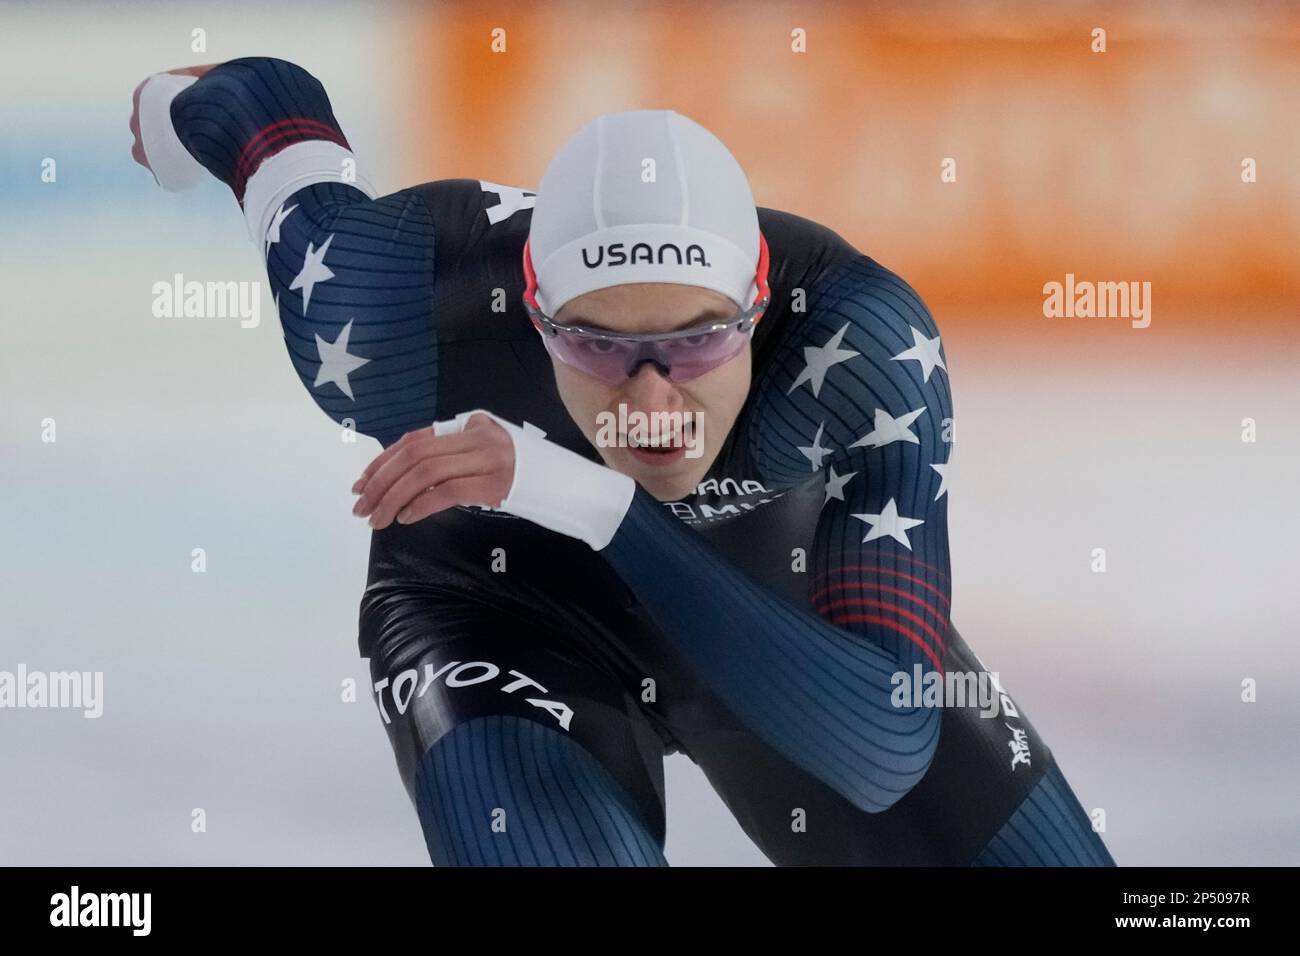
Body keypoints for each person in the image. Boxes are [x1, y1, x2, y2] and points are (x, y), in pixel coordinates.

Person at [131, 56, 1116, 866]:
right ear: (531, 302)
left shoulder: (856, 353)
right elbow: (261, 105)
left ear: (758, 298)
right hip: (502, 610)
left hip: (773, 607)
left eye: (695, 341)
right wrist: (172, 109)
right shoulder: (388, 314)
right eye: (596, 344)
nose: (651, 401)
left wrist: (589, 498)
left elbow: (881, 746)